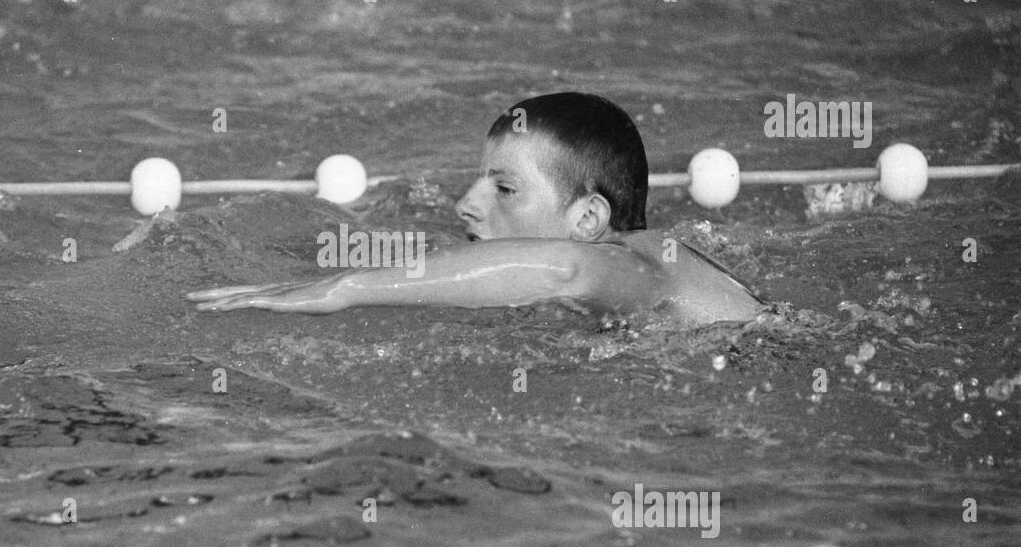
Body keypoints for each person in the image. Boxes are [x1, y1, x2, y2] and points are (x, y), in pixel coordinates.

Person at [187, 92, 764, 325]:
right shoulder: (651, 264)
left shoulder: (628, 263)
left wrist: (348, 289)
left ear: (587, 220)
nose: (466, 205)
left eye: (505, 191)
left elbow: (566, 269)